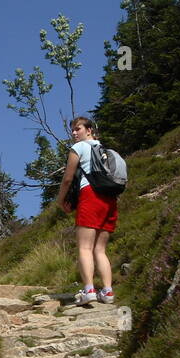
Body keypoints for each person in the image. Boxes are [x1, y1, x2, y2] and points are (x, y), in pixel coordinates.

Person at [56, 116, 117, 306]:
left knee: (84, 247)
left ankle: (89, 289)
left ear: (89, 130)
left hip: (90, 195)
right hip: (109, 198)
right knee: (100, 249)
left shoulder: (80, 148)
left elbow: (67, 178)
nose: (74, 133)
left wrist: (60, 200)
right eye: (73, 130)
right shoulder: (105, 150)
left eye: (78, 129)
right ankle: (107, 291)